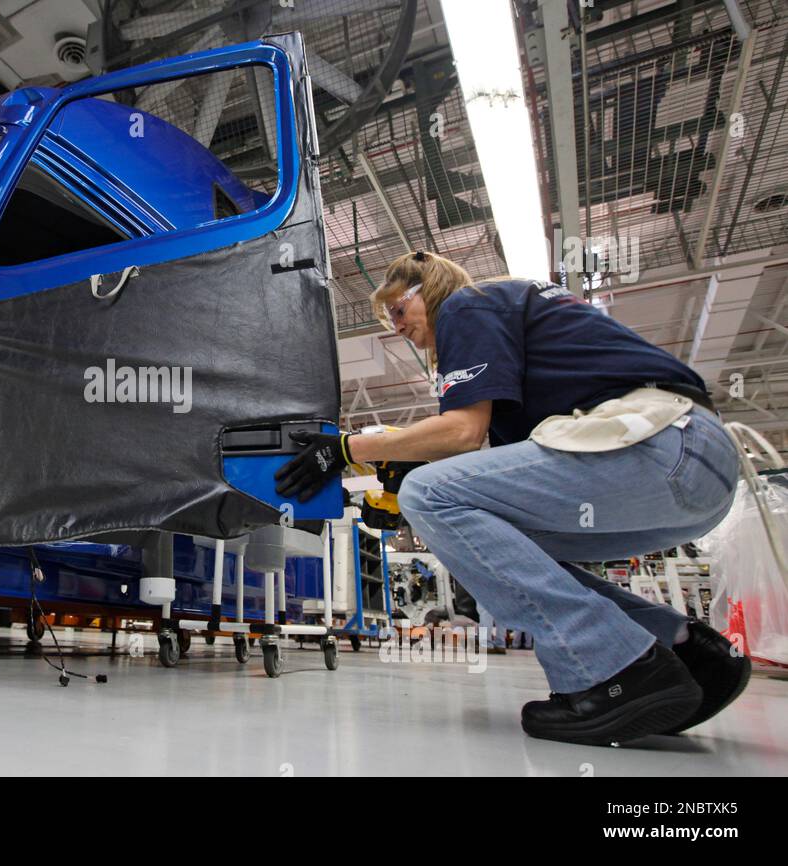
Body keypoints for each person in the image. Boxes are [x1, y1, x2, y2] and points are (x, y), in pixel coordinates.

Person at [274, 250, 750, 746]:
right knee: (494, 538)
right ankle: (683, 651)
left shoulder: (465, 305)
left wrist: (347, 449)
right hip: (693, 474)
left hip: (664, 446)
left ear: (427, 288)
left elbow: (460, 433)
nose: (396, 327)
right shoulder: (510, 331)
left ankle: (613, 669)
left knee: (428, 494)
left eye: (398, 310)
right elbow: (494, 473)